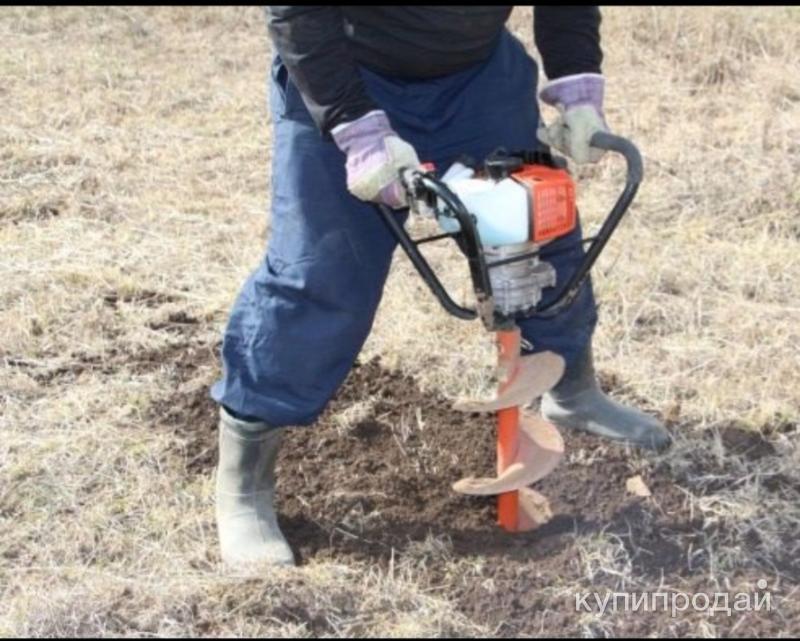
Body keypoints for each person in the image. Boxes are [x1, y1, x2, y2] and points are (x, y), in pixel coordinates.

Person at [209, 6, 671, 568]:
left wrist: (577, 89)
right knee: (322, 275)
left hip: (477, 79)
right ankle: (244, 478)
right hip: (347, 75)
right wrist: (356, 126)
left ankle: (571, 390)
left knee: (539, 229)